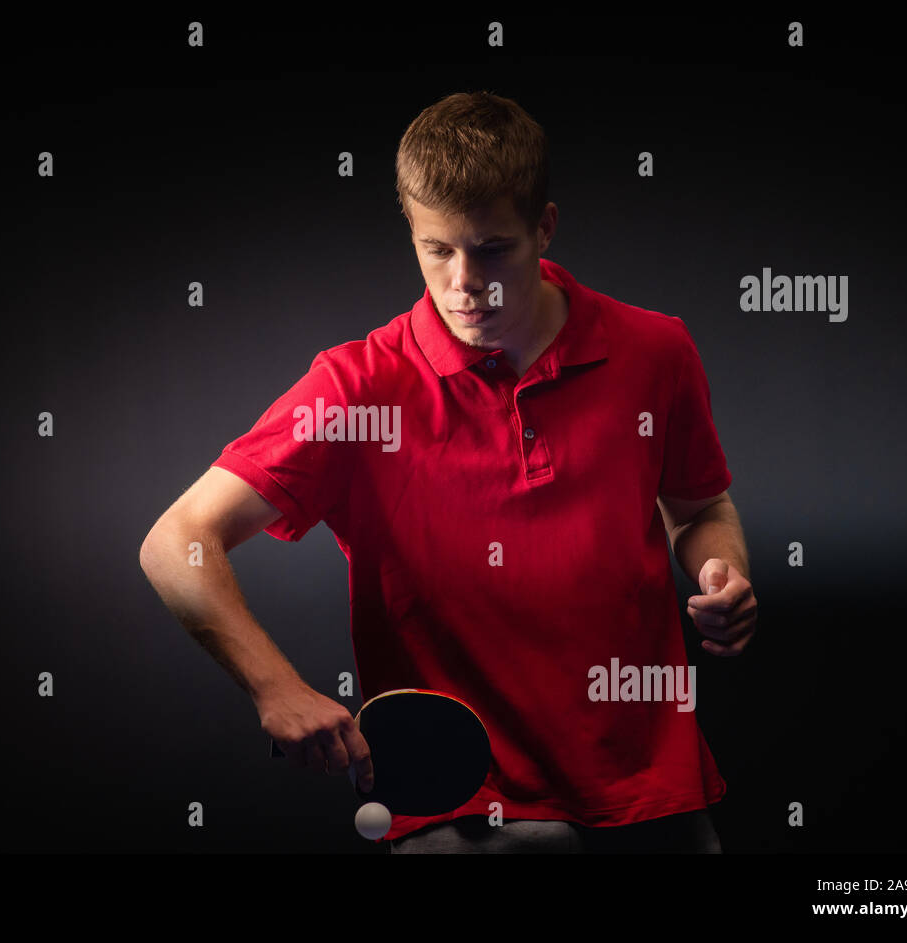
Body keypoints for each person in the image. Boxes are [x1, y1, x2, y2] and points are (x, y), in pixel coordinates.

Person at [139, 90, 757, 853]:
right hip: (465, 811)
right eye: (437, 249)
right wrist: (275, 685)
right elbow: (176, 540)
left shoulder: (656, 350)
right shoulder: (355, 387)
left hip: (651, 793)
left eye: (492, 247)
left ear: (545, 227)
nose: (464, 280)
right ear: (412, 232)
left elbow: (698, 508)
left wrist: (720, 572)